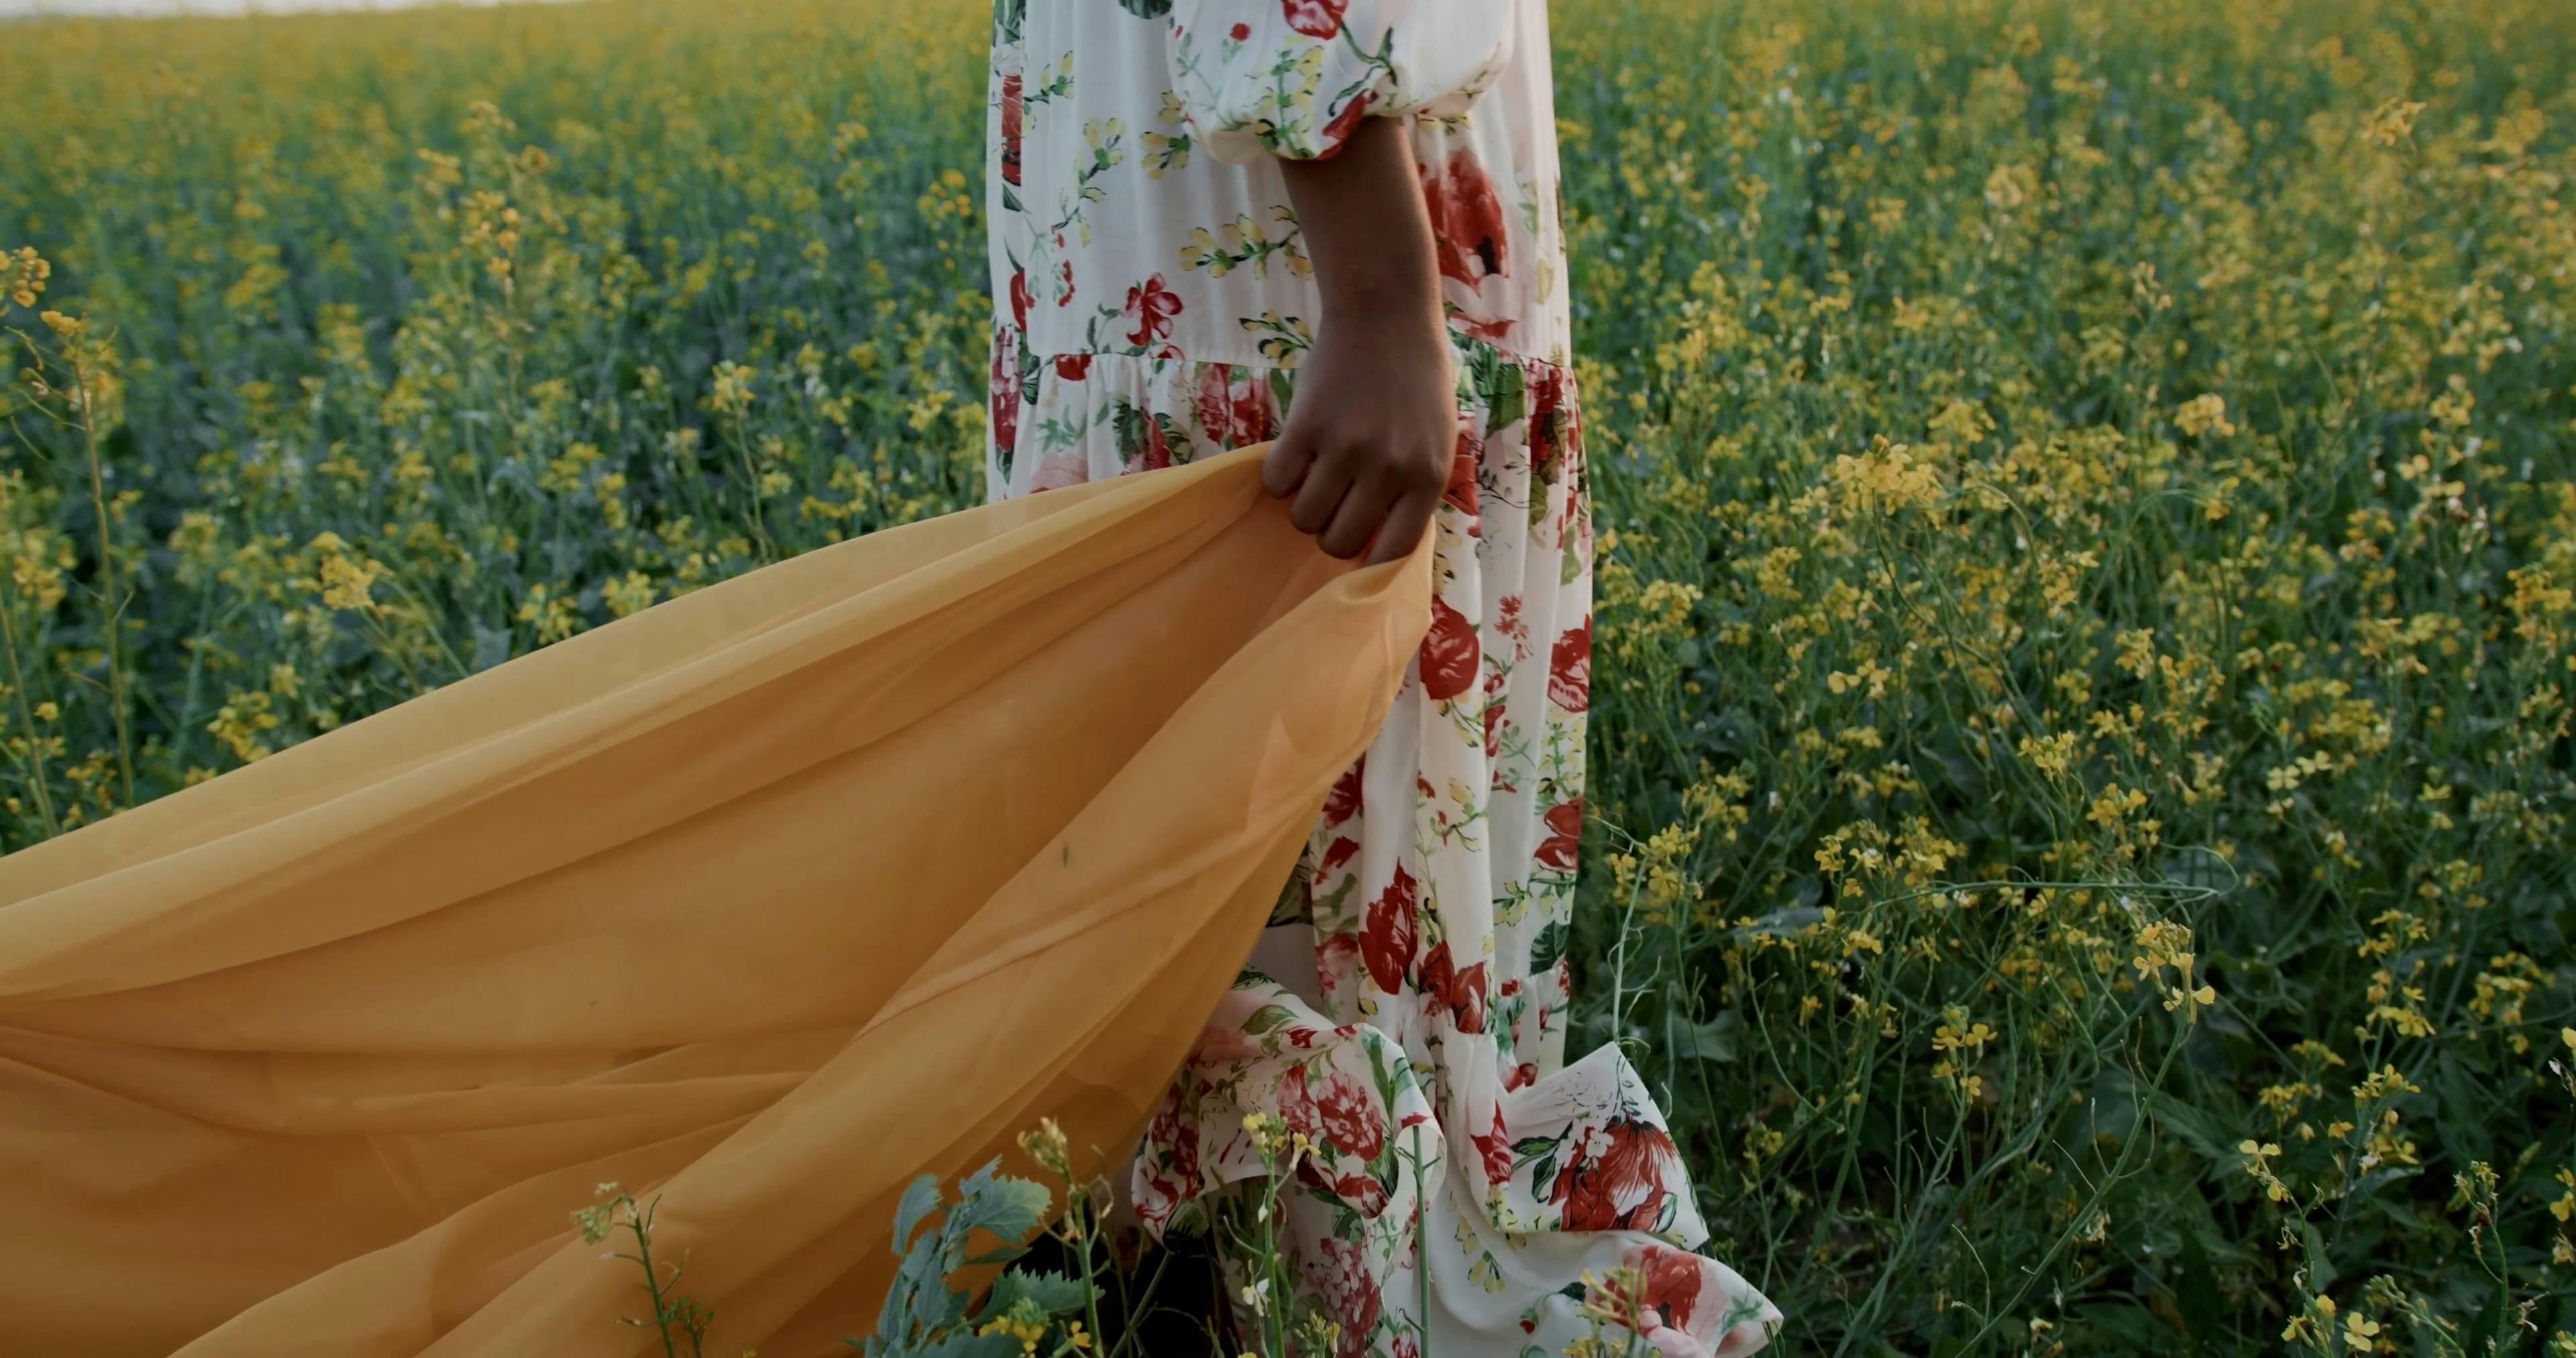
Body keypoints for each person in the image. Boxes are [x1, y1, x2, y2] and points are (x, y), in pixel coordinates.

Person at [985, 2, 1779, 1353]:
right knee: (1307, 964)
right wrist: (1379, 293)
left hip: (1216, 250)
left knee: (1212, 943)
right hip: (1288, 288)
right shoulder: (1357, 291)